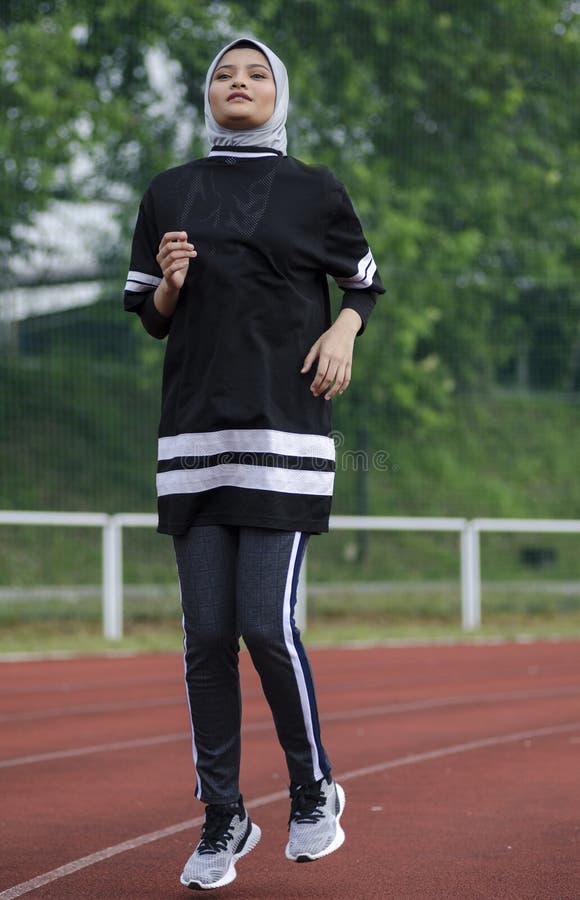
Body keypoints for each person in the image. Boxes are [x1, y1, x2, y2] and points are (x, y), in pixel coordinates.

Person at [123, 36, 384, 891]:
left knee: (266, 626)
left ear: (280, 92)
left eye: (257, 73)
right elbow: (151, 315)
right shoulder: (170, 191)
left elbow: (365, 282)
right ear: (207, 96)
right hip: (193, 440)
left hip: (287, 438)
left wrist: (344, 329)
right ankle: (223, 815)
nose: (239, 84)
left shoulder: (316, 190)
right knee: (205, 639)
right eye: (225, 75)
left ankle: (314, 792)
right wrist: (167, 281)